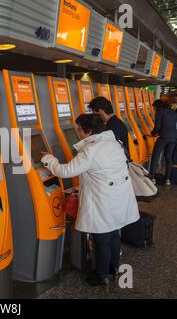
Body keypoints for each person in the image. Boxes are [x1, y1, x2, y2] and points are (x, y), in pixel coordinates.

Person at [41, 114, 140, 288]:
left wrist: (48, 159)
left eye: (78, 129)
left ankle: (102, 276)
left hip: (104, 200)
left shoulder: (91, 151)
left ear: (89, 131)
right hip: (118, 196)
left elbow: (65, 171)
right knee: (114, 234)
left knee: (101, 239)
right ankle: (113, 269)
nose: (77, 132)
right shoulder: (113, 142)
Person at [148, 100, 177, 186]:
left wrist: (152, 134)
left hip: (164, 137)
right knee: (168, 158)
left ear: (157, 106)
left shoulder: (160, 111)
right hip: (173, 138)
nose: (153, 109)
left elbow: (157, 126)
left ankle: (152, 178)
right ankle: (167, 179)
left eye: (154, 107)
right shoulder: (173, 112)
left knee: (155, 156)